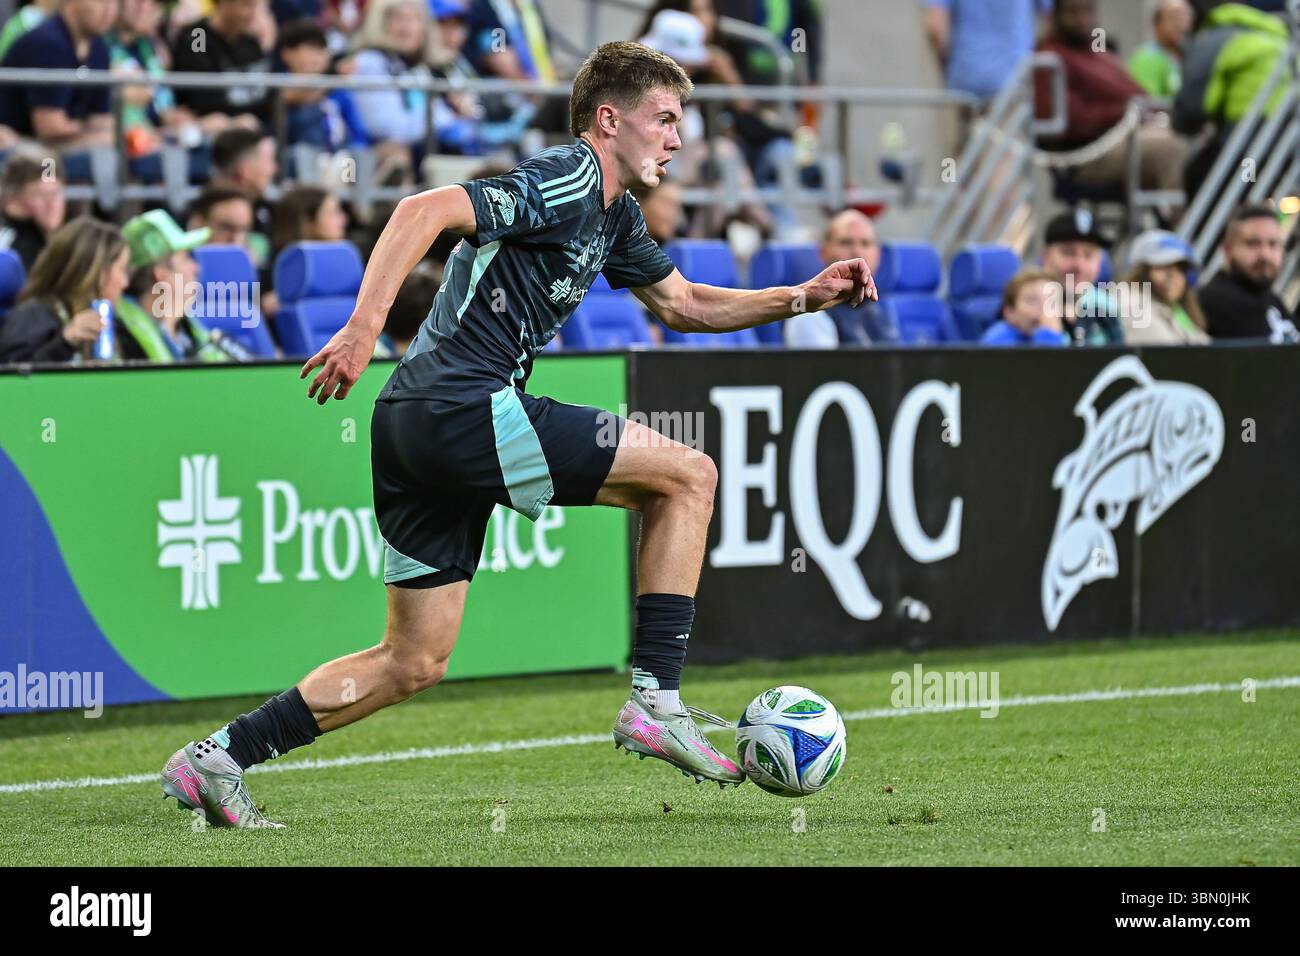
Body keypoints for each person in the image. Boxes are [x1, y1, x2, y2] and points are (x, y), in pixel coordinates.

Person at [158, 40, 878, 827]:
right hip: (460, 402)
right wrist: (364, 327)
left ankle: (217, 759)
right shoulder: (571, 174)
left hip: (411, 423)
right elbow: (420, 209)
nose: (677, 138)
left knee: (414, 659)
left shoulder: (618, 217)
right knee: (690, 475)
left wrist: (803, 297)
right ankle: (655, 698)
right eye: (663, 118)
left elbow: (687, 306)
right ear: (610, 121)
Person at [1035, 0, 1186, 200]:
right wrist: (1124, 112)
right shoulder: (1050, 57)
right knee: (1171, 149)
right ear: (1055, 15)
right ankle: (1186, 227)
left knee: (1193, 141)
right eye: (1073, 12)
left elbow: (1138, 95)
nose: (1081, 19)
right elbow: (1070, 122)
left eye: (1087, 11)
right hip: (1090, 155)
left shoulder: (1098, 53)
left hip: (1129, 137)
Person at [1173, 0, 1290, 197]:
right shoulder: (1276, 36)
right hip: (1287, 147)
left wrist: (1180, 124)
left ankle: (1220, 227)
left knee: (1196, 174)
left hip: (1247, 145)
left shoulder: (1215, 38)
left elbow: (1192, 109)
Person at [115, 208, 254, 361]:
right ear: (161, 273)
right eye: (185, 259)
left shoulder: (191, 330)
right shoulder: (121, 337)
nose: (196, 267)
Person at [0, 216, 128, 363]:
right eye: (122, 270)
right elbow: (11, 379)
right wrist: (65, 343)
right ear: (97, 273)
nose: (125, 283)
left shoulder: (113, 320)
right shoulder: (33, 316)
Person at [0, 0, 116, 150]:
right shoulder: (49, 43)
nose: (109, 9)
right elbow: (50, 128)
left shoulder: (98, 47)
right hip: (18, 150)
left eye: (116, 2)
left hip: (48, 147)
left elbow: (101, 120)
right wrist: (97, 134)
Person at [785, 210, 899, 348]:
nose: (858, 252)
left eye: (866, 243)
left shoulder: (881, 309)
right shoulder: (808, 316)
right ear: (824, 251)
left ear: (879, 254)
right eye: (846, 243)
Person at [1198, 203, 1297, 342]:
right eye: (1253, 243)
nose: (1265, 255)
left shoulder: (1269, 297)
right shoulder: (1220, 302)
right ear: (1228, 250)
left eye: (1273, 244)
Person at [924, 0, 1053, 103]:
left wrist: (948, 66)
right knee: (1011, 133)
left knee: (972, 135)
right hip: (1016, 78)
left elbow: (935, 28)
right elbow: (1050, 16)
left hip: (966, 78)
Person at [169, 0, 272, 126]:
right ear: (224, 3)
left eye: (255, 6)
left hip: (256, 127)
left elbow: (267, 94)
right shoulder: (197, 35)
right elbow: (201, 98)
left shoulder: (250, 41)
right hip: (210, 128)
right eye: (246, 5)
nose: (252, 14)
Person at [1040, 208, 1124, 345]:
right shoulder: (1024, 304)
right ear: (1046, 257)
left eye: (1088, 255)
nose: (1079, 266)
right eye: (1068, 253)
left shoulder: (1105, 304)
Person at [1119, 229, 1210, 344]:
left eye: (1180, 268)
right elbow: (1173, 355)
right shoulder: (1132, 304)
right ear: (1140, 270)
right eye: (1162, 265)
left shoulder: (1175, 309)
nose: (1173, 275)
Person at [0, 150, 66, 270]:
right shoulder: (9, 246)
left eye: (56, 193)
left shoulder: (66, 240)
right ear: (12, 200)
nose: (52, 204)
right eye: (40, 194)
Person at [979, 268, 1067, 345]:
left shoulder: (1064, 335)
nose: (1044, 309)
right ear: (1010, 312)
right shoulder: (998, 339)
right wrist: (1048, 334)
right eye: (1032, 300)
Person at [1128, 0, 1192, 99]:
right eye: (1174, 17)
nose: (1180, 24)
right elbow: (1149, 104)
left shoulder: (1188, 55)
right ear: (1157, 25)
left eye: (1184, 17)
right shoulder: (1147, 58)